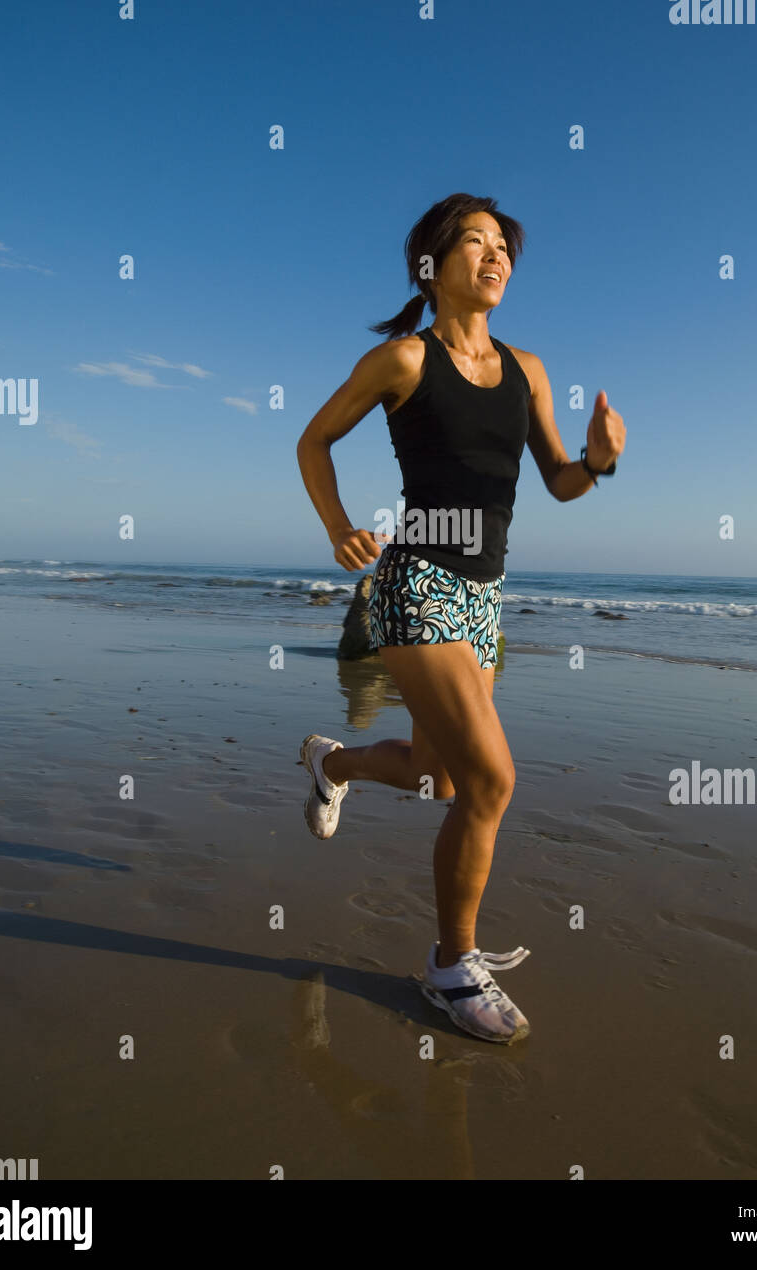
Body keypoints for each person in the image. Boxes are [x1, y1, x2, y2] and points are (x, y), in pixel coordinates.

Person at [296, 192, 626, 1043]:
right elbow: (313, 440)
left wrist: (597, 462)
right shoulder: (403, 361)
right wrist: (339, 529)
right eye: (474, 243)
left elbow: (557, 481)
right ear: (430, 266)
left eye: (503, 247)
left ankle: (333, 763)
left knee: (436, 778)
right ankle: (451, 967)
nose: (495, 257)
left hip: (484, 596)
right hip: (418, 585)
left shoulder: (529, 369)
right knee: (491, 783)